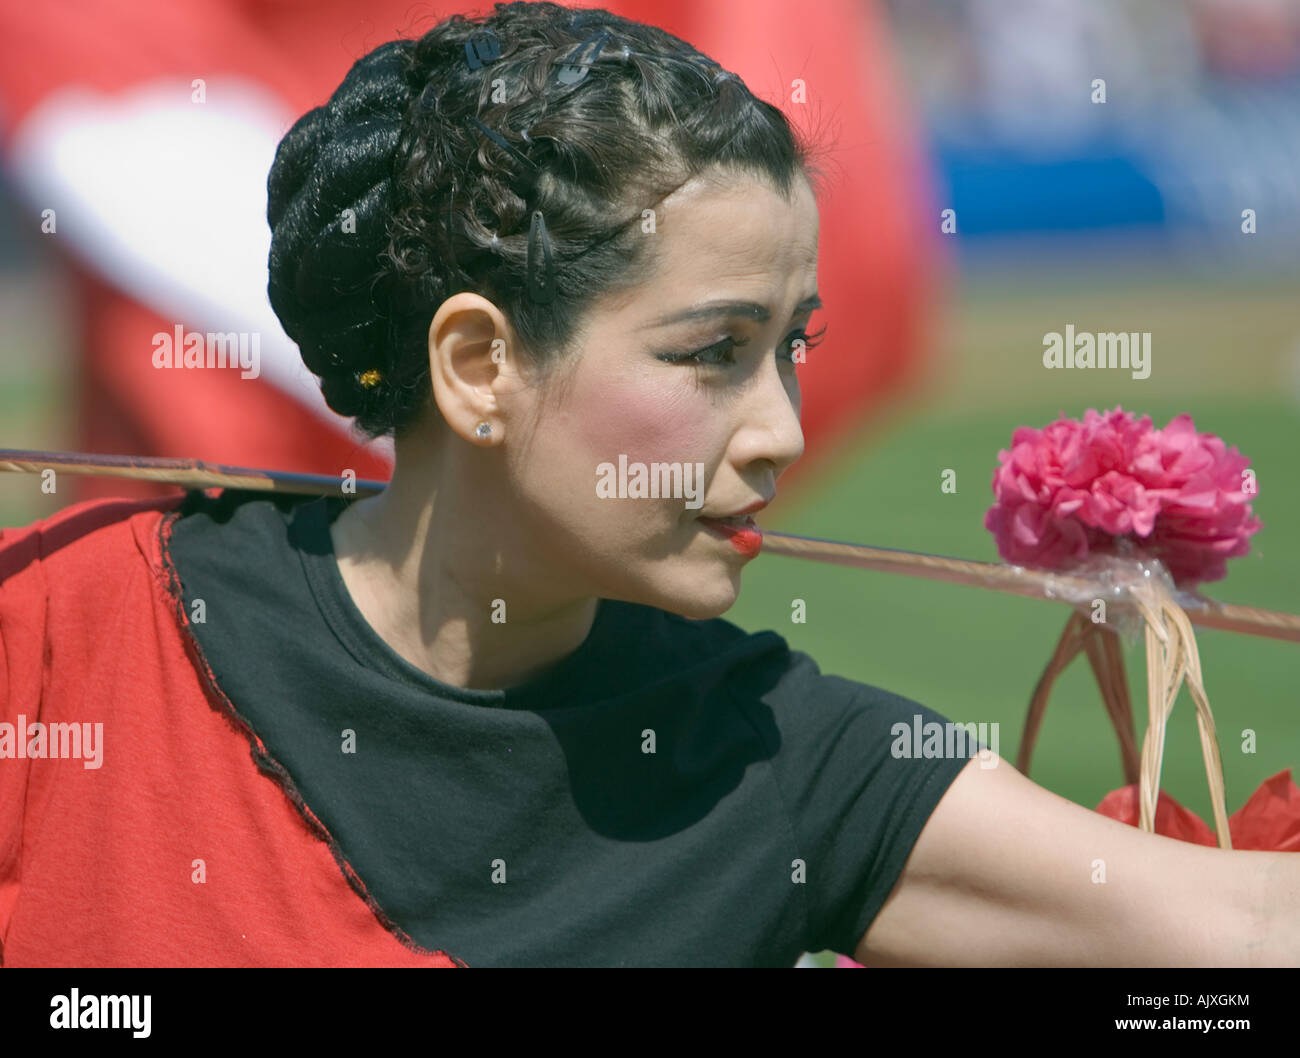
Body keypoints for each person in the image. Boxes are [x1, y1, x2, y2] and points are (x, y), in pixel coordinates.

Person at [0, 1, 1294, 968]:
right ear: (478, 363)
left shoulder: (773, 750)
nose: (781, 431)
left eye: (790, 350)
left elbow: (1233, 931)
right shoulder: (67, 629)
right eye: (712, 355)